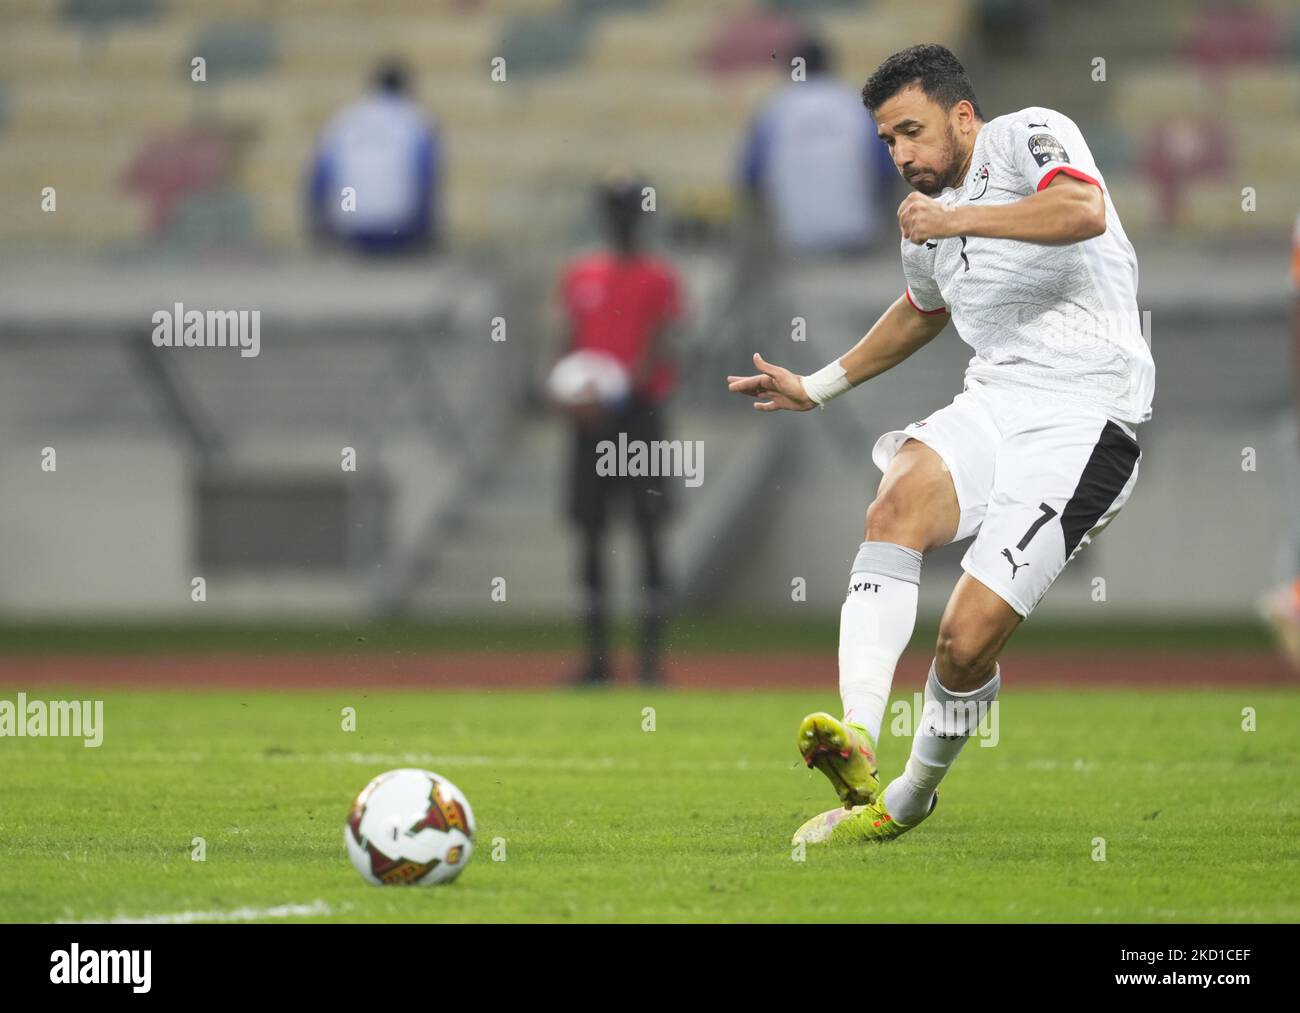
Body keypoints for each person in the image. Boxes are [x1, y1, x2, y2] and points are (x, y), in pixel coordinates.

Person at [726, 44, 1155, 843]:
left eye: (912, 132)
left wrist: (953, 217)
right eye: (888, 141)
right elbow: (925, 309)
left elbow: (1082, 211)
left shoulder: (1030, 135)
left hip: (1086, 418)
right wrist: (816, 385)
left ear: (962, 116)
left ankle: (911, 798)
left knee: (964, 642)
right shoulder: (922, 218)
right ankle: (855, 737)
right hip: (993, 401)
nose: (901, 156)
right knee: (893, 504)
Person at [556, 171, 686, 685]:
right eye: (615, 211)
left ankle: (651, 663)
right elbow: (567, 343)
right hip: (589, 423)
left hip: (640, 419)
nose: (622, 221)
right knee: (591, 535)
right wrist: (569, 393)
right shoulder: (578, 275)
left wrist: (616, 394)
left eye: (628, 211)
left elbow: (662, 343)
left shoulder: (658, 278)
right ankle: (597, 661)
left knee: (649, 532)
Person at [739, 35, 897, 255]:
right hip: (857, 236)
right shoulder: (856, 104)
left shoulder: (775, 107)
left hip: (796, 239)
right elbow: (887, 169)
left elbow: (749, 175)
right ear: (829, 64)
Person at [306, 60, 440, 255]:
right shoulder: (416, 119)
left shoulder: (347, 118)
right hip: (400, 224)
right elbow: (425, 175)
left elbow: (320, 177)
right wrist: (428, 226)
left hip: (351, 224)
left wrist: (318, 223)